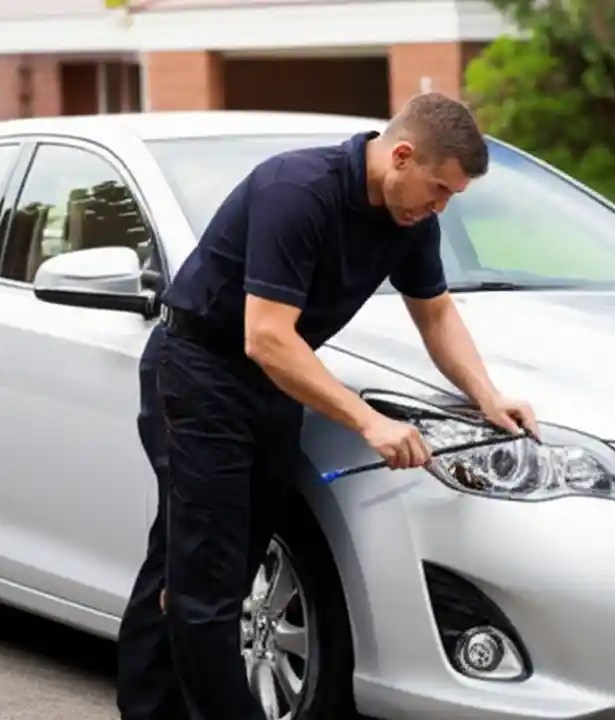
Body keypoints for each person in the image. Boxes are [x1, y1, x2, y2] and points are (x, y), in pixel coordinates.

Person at [114, 92, 539, 720]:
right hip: (201, 374)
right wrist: (368, 420)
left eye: (452, 196)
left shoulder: (410, 218)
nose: (441, 207)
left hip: (274, 383)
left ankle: (147, 708)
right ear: (402, 156)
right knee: (210, 584)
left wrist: (488, 395)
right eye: (440, 188)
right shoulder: (299, 191)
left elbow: (436, 312)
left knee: (203, 565)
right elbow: (267, 336)